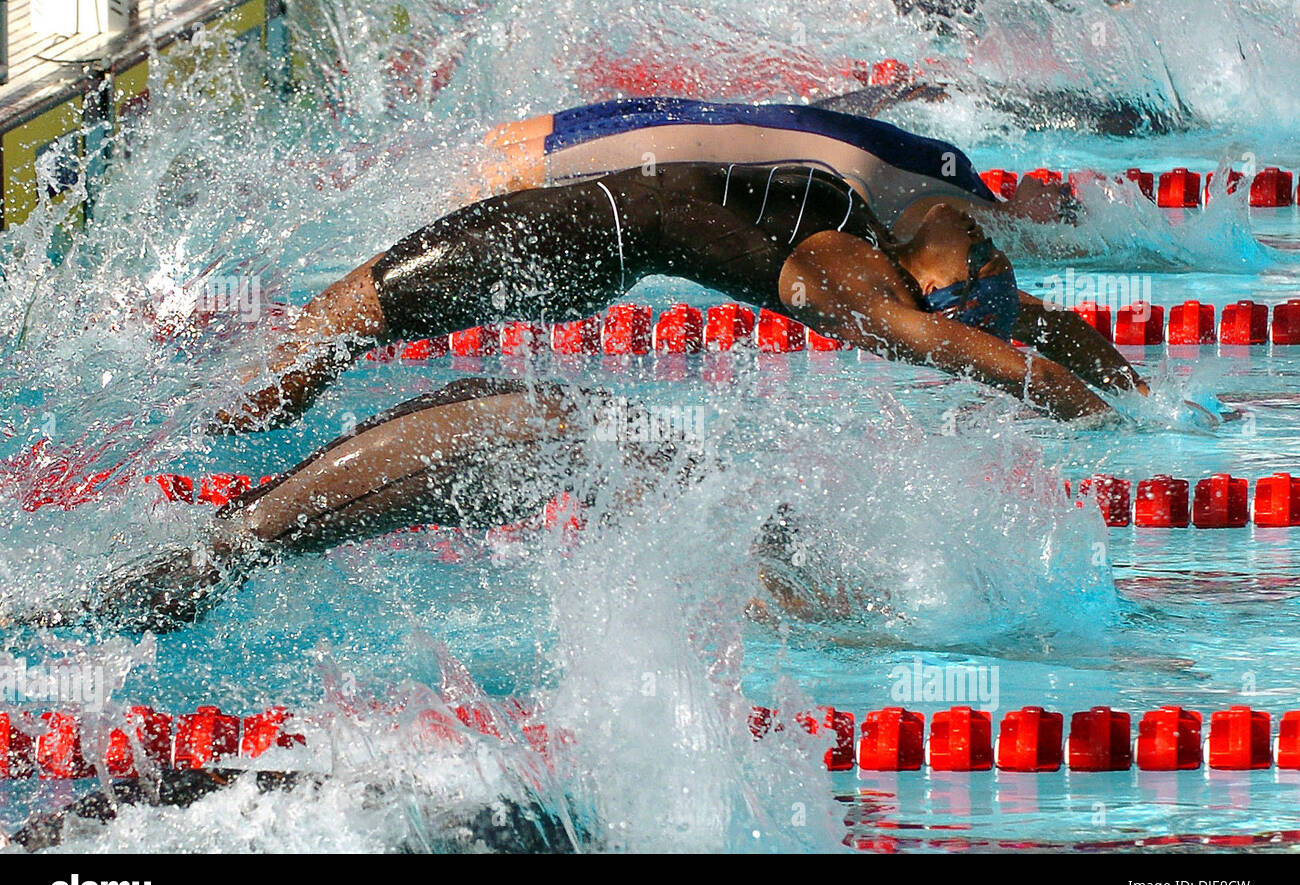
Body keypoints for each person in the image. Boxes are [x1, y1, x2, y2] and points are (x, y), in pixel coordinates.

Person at [213, 160, 1145, 435]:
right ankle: (230, 420)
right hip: (580, 232)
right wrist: (1133, 399)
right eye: (993, 254)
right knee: (329, 335)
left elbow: (954, 342)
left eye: (984, 259)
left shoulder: (847, 275)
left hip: (567, 239)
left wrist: (1095, 417)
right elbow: (1028, 328)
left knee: (331, 328)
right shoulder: (868, 237)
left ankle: (215, 431)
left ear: (940, 287)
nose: (984, 240)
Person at [26, 378, 687, 633]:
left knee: (236, 541)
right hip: (467, 435)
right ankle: (38, 617)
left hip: (482, 417)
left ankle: (54, 610)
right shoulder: (674, 483)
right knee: (230, 549)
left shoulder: (655, 463)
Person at [472, 97, 1074, 232]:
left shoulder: (950, 199)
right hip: (714, 127)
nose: (1062, 189)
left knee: (502, 164)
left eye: (1062, 201)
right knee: (503, 156)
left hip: (714, 135)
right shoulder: (957, 183)